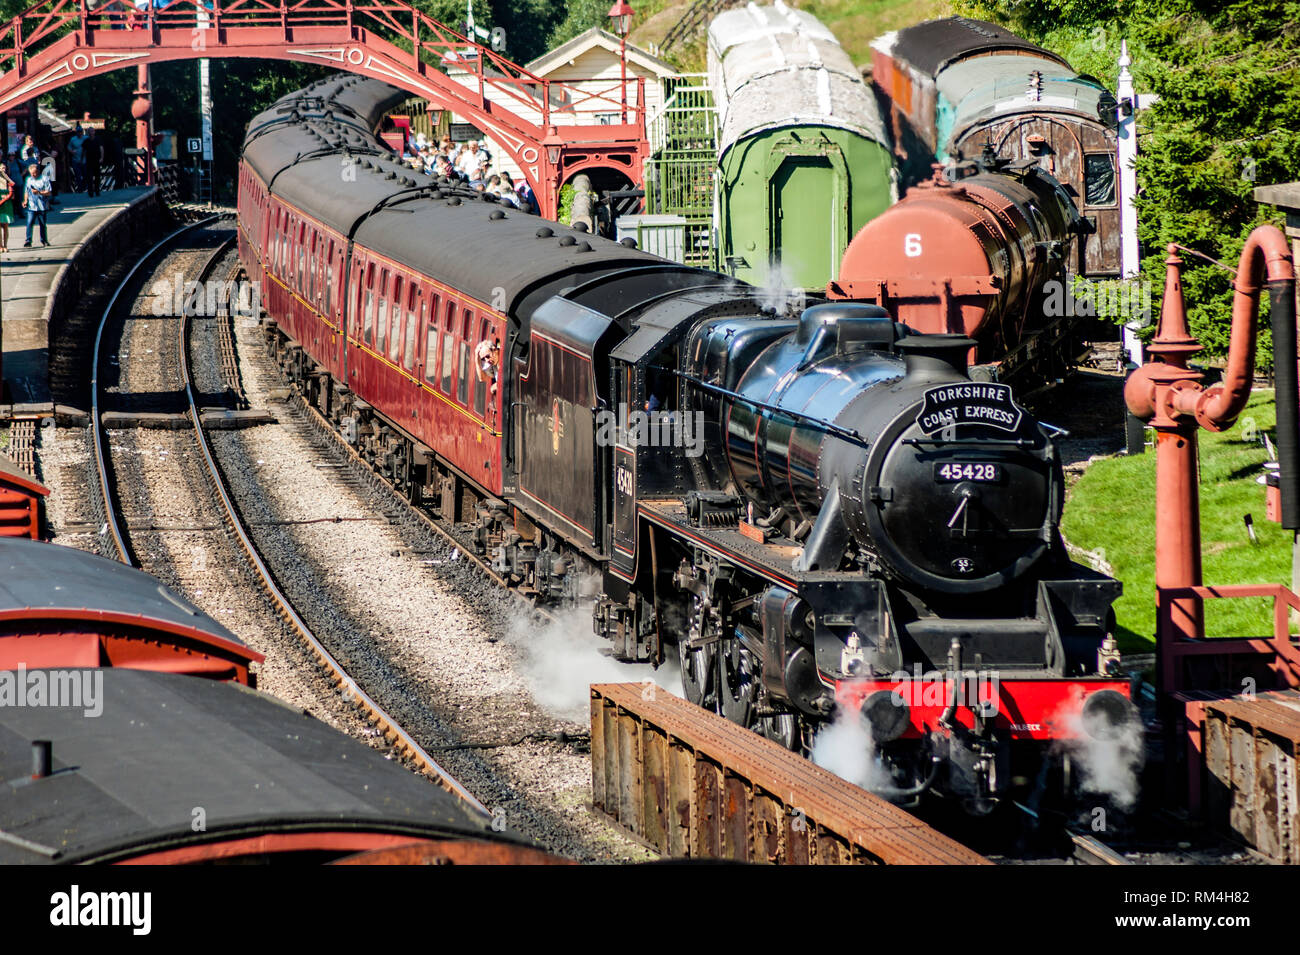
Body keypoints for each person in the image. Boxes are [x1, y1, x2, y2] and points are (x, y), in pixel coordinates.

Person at [22, 162, 50, 247]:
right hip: (31, 205)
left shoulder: (44, 179)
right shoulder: (29, 179)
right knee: (29, 222)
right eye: (32, 173)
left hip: (42, 205)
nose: (33, 175)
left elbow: (48, 192)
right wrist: (25, 200)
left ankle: (44, 240)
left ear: (38, 171)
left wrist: (39, 192)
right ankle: (28, 240)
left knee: (42, 224)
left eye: (35, 173)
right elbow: (26, 191)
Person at [67, 124, 86, 192]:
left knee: (85, 175)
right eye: (78, 132)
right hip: (75, 160)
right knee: (78, 175)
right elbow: (68, 147)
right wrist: (72, 151)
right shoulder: (73, 139)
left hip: (84, 160)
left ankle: (84, 186)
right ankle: (80, 188)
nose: (79, 133)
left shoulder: (86, 138)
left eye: (80, 131)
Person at [84, 129, 102, 197]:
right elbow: (84, 151)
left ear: (94, 132)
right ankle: (90, 192)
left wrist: (101, 158)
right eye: (89, 132)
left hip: (96, 160)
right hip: (89, 161)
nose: (91, 133)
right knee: (89, 177)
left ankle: (97, 191)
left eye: (92, 131)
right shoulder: (86, 141)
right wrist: (82, 159)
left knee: (97, 177)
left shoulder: (98, 140)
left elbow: (101, 148)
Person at [0, 166, 14, 252]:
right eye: (2, 168)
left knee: (5, 227)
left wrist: (5, 176)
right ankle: (0, 246)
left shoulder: (8, 179)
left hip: (7, 205)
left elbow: (13, 186)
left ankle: (5, 245)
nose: (3, 170)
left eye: (4, 168)